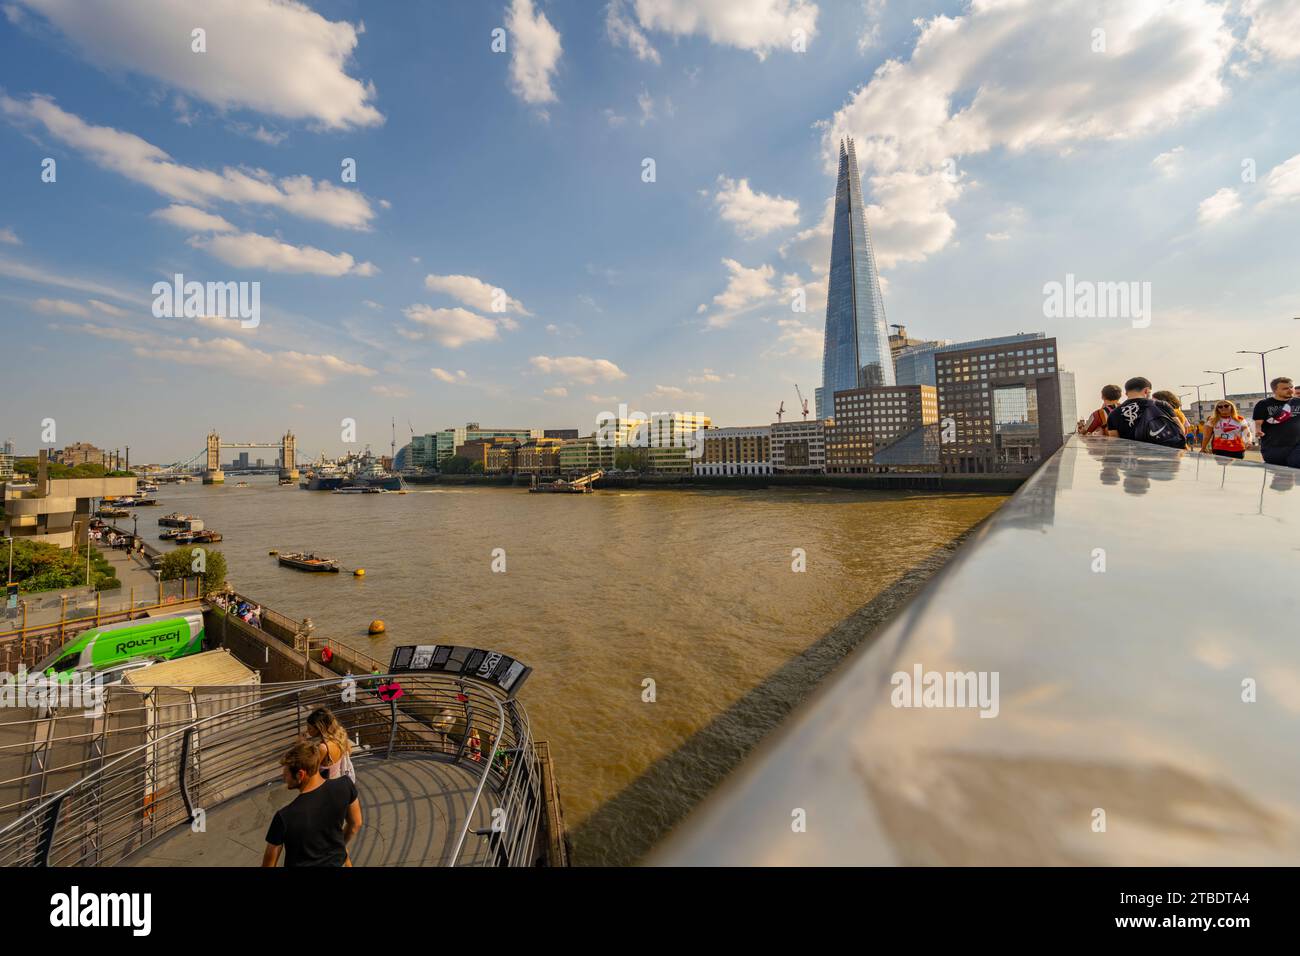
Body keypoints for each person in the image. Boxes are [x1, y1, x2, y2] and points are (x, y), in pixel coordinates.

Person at [261, 741, 361, 868]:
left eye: (286, 773)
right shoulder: (345, 785)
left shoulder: (284, 817)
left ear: (300, 775)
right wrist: (338, 848)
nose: (283, 776)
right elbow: (356, 824)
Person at [1105, 377, 1186, 449]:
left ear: (1126, 393)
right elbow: (1180, 429)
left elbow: (1115, 444)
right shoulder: (1161, 405)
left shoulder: (1113, 414)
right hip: (1165, 458)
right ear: (1146, 390)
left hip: (1133, 462)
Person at [1253, 377, 1300, 469]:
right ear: (1275, 390)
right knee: (1280, 478)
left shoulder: (1298, 402)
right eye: (1285, 388)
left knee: (1296, 466)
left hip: (1296, 445)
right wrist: (1258, 431)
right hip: (1273, 447)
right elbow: (1258, 422)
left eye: (1291, 387)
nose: (1290, 390)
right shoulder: (1263, 404)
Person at [304, 707, 356, 783]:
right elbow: (349, 751)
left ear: (320, 729)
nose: (307, 731)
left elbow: (311, 770)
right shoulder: (340, 735)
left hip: (326, 784)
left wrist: (302, 744)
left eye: (309, 728)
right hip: (339, 777)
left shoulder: (323, 747)